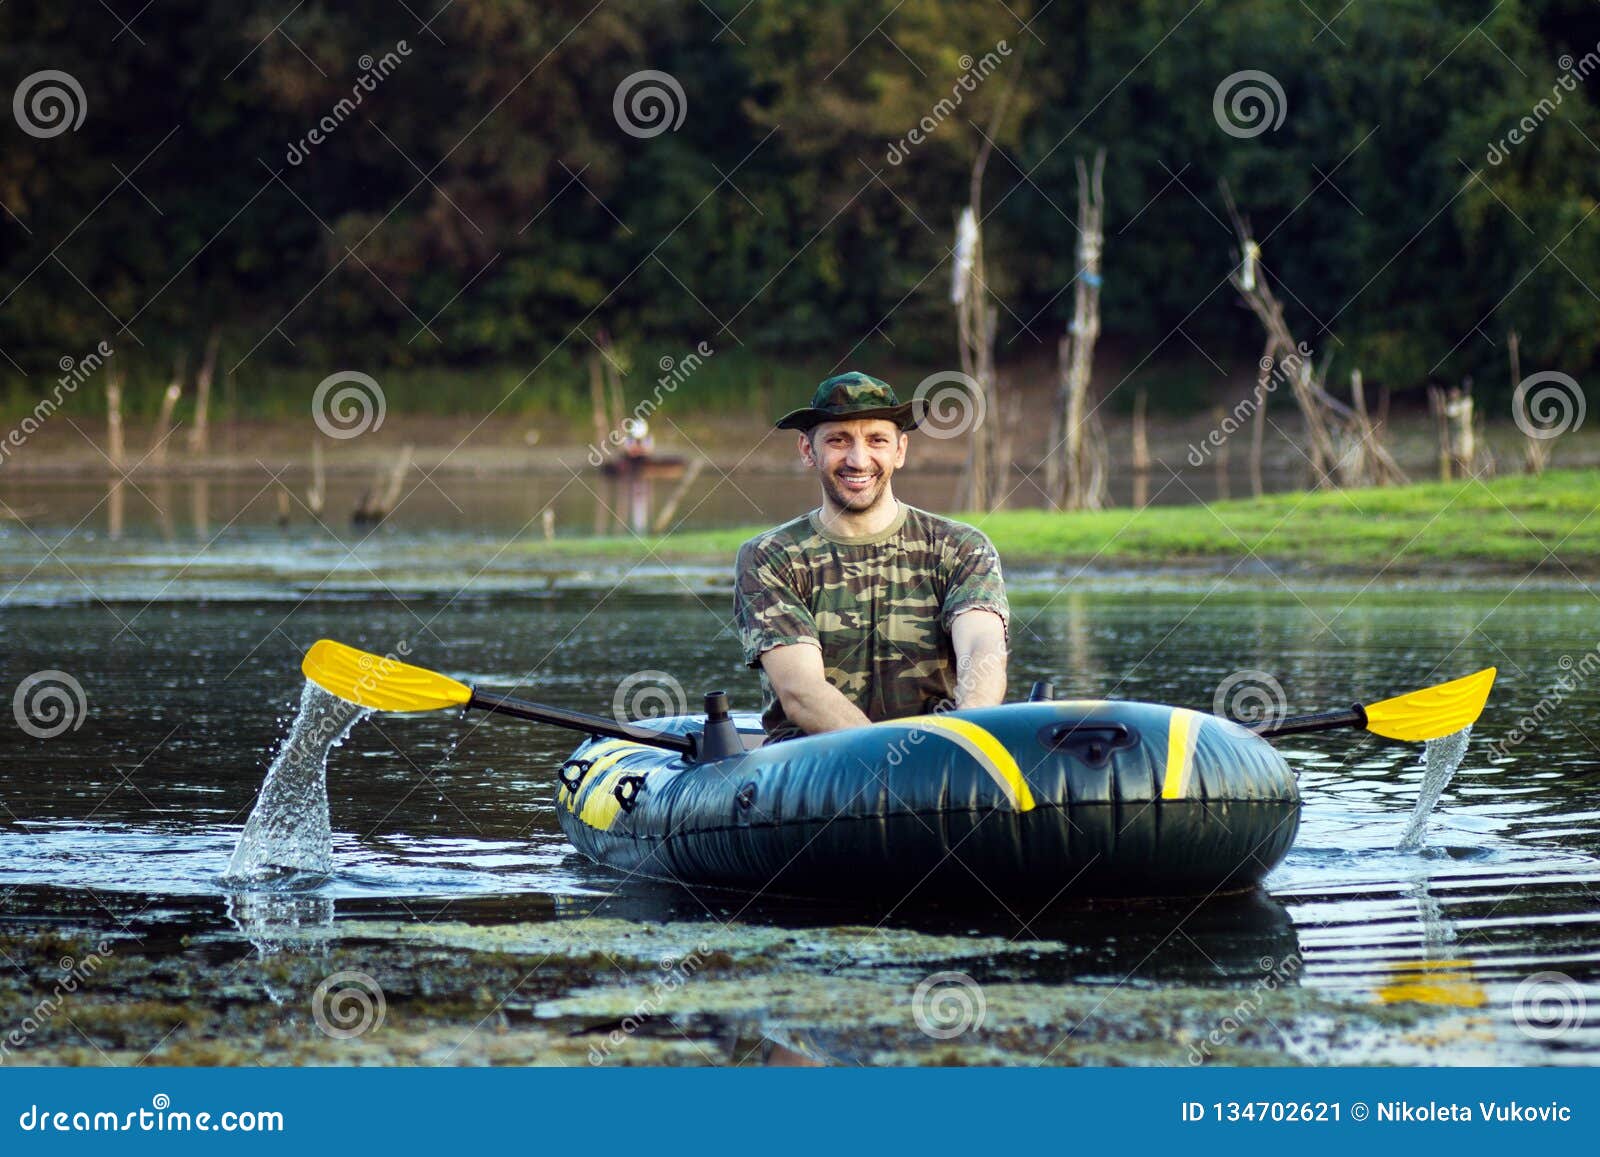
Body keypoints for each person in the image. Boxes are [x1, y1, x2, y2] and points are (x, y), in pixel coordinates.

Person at [734, 371, 1008, 742]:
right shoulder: (770, 557)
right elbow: (801, 691)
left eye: (876, 440)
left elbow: (982, 649)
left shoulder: (960, 547)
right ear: (807, 451)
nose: (858, 459)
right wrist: (888, 763)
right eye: (838, 440)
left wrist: (966, 741)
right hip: (811, 771)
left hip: (939, 758)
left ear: (900, 451)